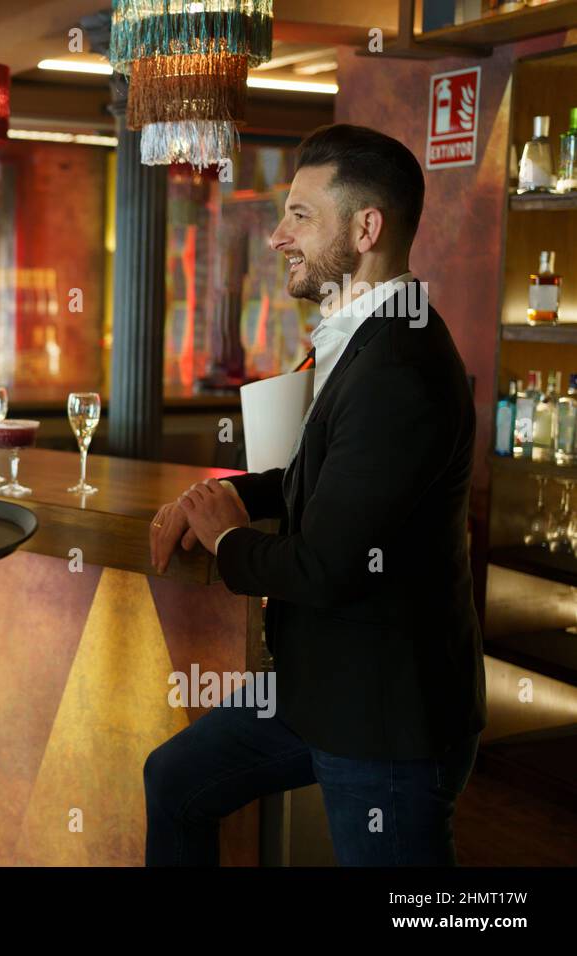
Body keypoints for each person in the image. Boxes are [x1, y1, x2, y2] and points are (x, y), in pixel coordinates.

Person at [145, 124, 486, 866]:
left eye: (300, 214)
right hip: (319, 692)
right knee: (174, 780)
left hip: (385, 719)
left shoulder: (400, 365)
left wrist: (230, 539)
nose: (277, 237)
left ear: (366, 228)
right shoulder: (369, 336)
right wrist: (211, 499)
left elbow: (329, 565)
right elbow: (318, 477)